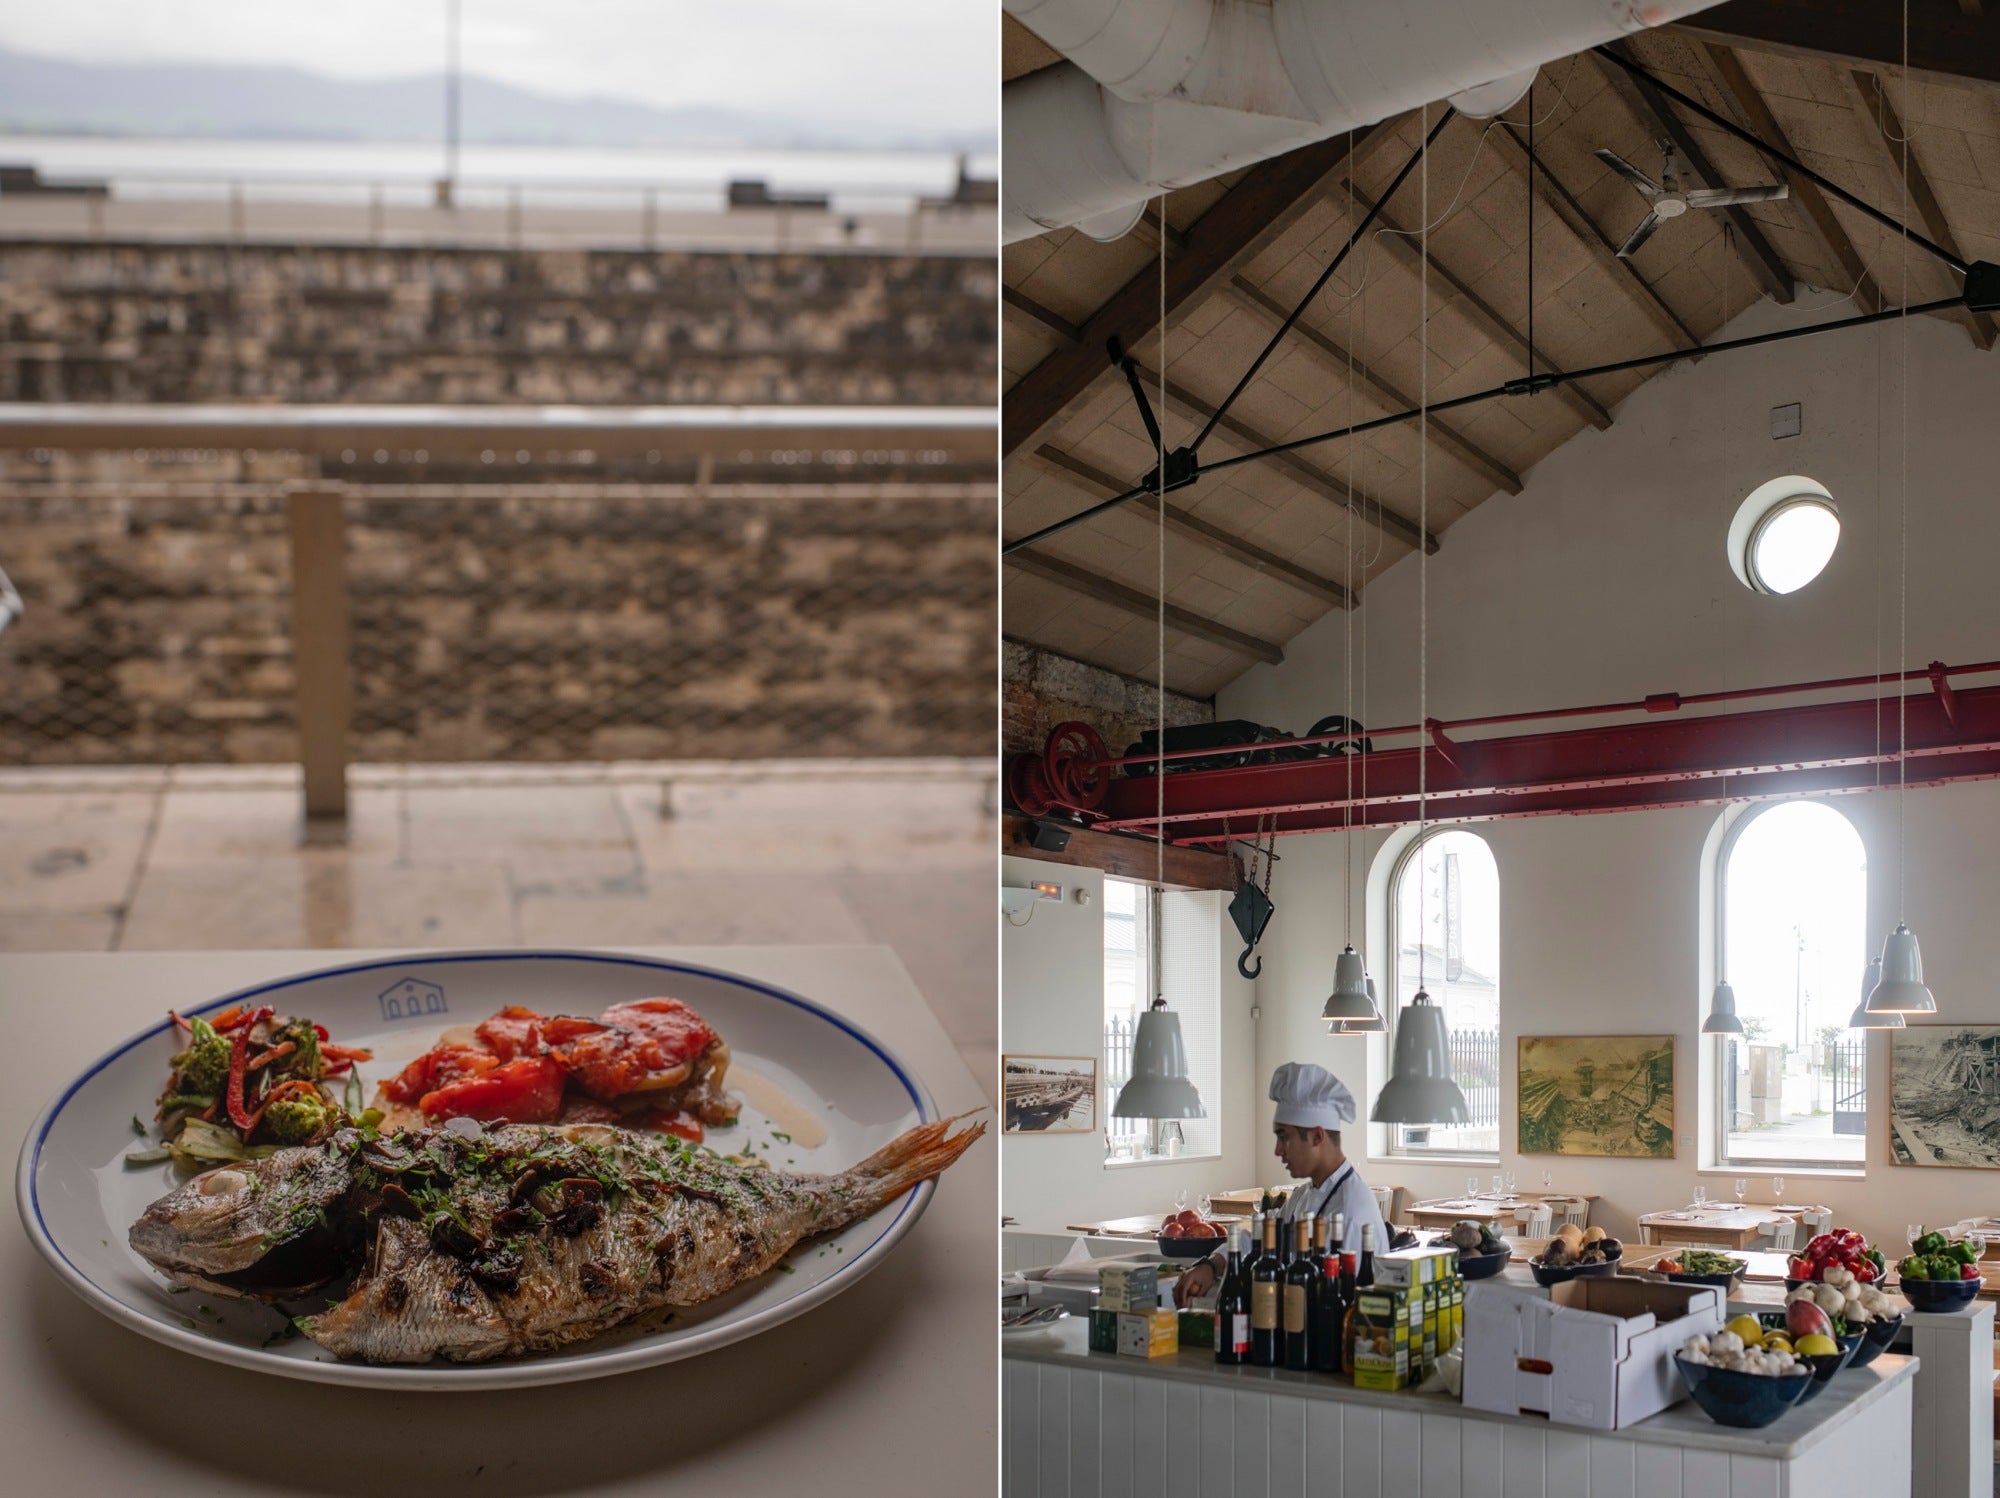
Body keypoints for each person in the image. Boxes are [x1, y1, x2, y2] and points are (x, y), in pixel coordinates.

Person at [1172, 1061, 1388, 1307]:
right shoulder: (1304, 1194)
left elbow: (1342, 1307)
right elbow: (1261, 1233)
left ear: (1318, 1136)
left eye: (1284, 1137)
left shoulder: (1350, 1213)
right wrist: (1212, 1265)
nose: (1277, 1150)